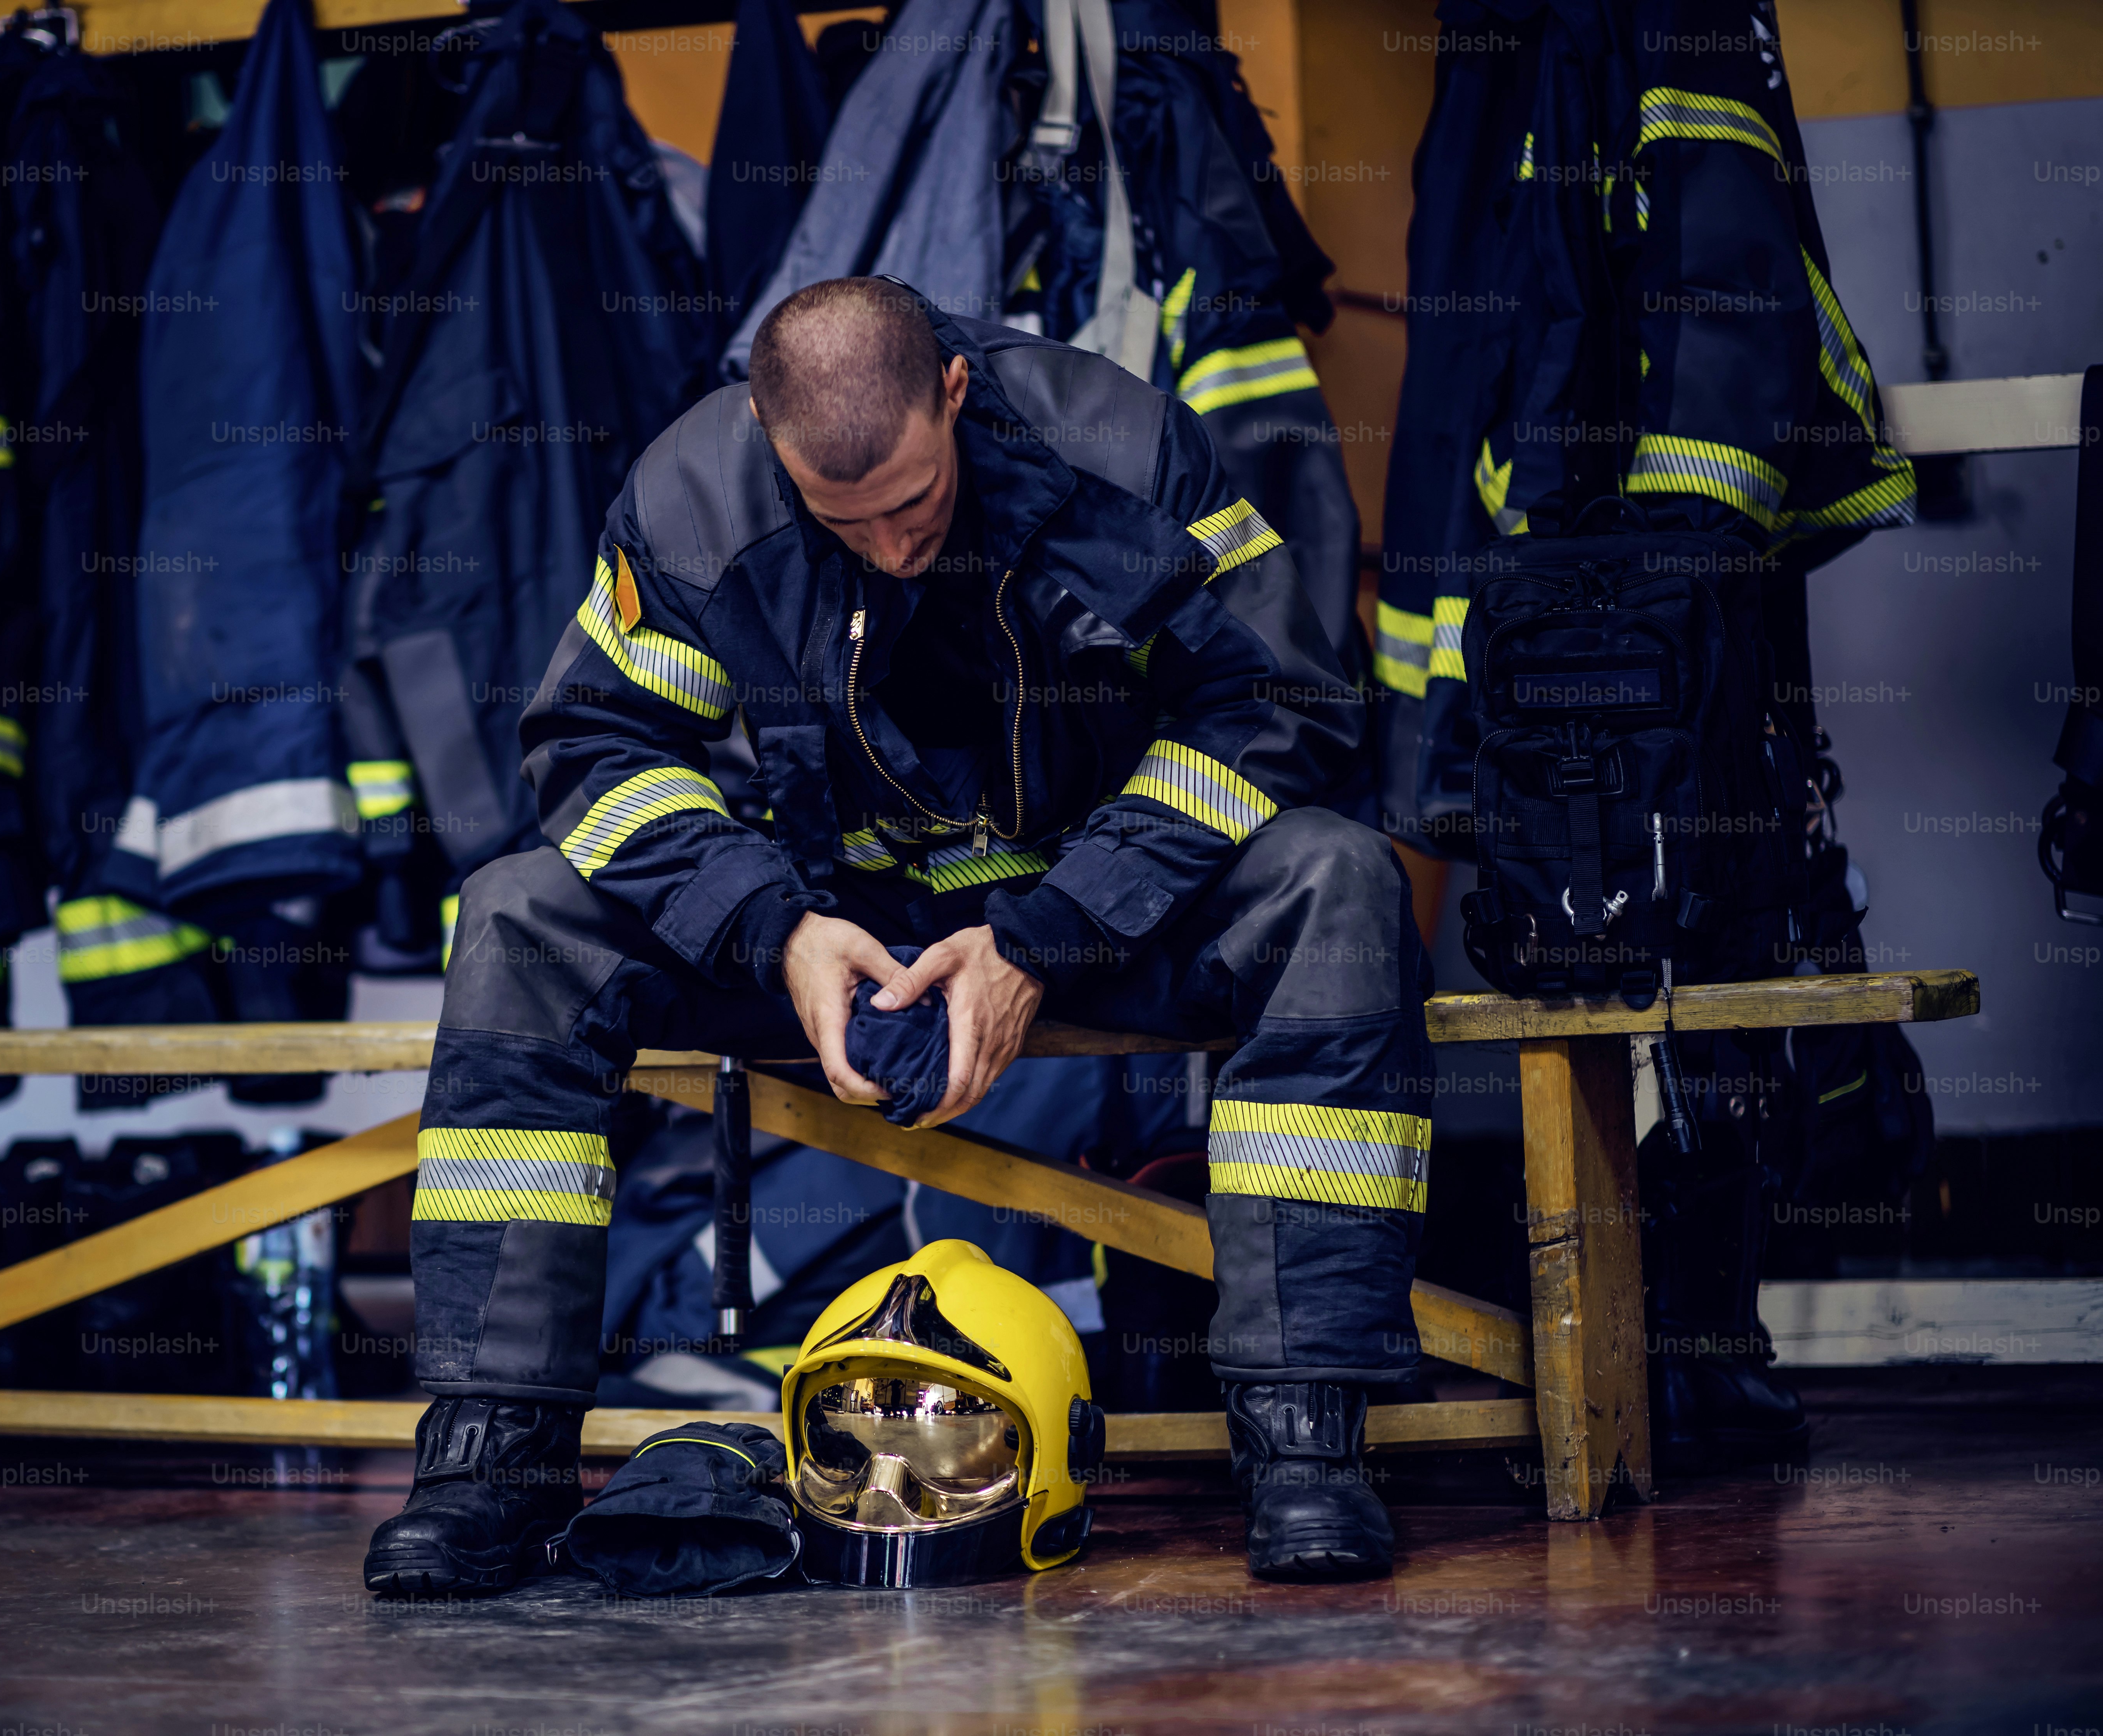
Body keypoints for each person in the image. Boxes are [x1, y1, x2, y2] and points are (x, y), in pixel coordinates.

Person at [365, 277, 1434, 1594]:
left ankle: (1307, 1442)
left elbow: (1280, 699)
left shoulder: (1118, 450)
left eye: (914, 506)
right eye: (841, 521)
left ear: (956, 393)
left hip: (1106, 899)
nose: (888, 549)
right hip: (835, 924)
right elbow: (593, 743)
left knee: (1337, 879)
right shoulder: (695, 500)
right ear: (772, 446)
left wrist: (1047, 935)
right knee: (521, 917)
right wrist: (775, 931)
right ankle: (491, 1462)